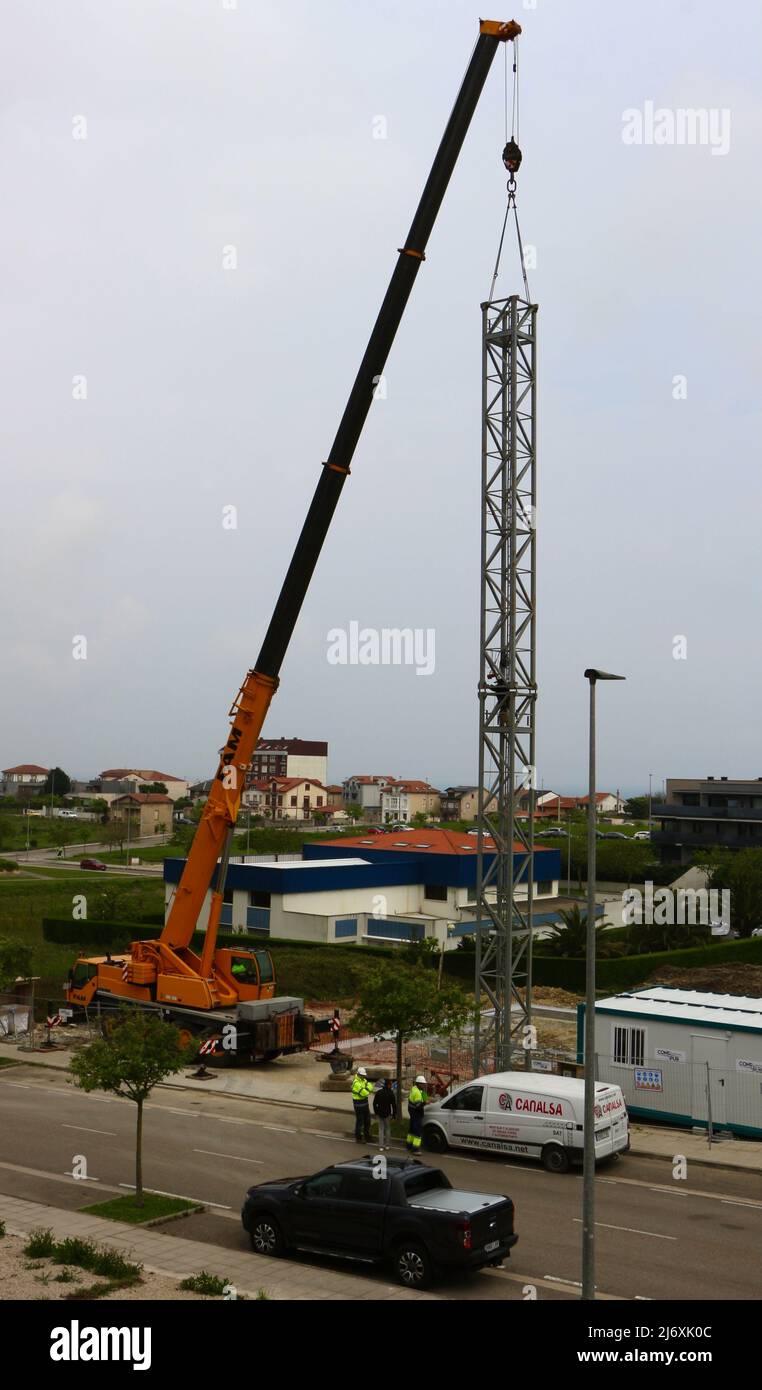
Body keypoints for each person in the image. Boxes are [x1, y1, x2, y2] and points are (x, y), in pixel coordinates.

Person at [406, 1074, 429, 1154]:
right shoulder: (417, 1093)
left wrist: (426, 1096)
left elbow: (424, 1096)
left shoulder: (414, 1088)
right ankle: (415, 1149)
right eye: (423, 1084)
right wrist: (425, 1103)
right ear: (419, 1084)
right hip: (416, 1114)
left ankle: (409, 1145)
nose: (424, 1085)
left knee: (412, 1130)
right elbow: (418, 1106)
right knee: (417, 1132)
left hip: (412, 1113)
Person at [373, 1077, 396, 1151]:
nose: (391, 1085)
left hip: (380, 1113)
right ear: (388, 1085)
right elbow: (394, 1105)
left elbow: (374, 1103)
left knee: (381, 1129)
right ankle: (387, 1145)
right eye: (391, 1084)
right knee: (388, 1129)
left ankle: (381, 1146)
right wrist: (394, 1114)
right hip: (387, 1114)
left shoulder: (379, 1092)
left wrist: (376, 1112)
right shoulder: (391, 1093)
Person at [351, 1066, 373, 1143]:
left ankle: (367, 1136)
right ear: (359, 1074)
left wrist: (367, 1089)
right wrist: (367, 1090)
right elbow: (365, 1093)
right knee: (360, 1122)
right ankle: (358, 1138)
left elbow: (370, 1086)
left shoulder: (363, 1080)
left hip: (365, 1104)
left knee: (367, 1121)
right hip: (359, 1106)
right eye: (363, 1075)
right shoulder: (356, 1083)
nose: (364, 1076)